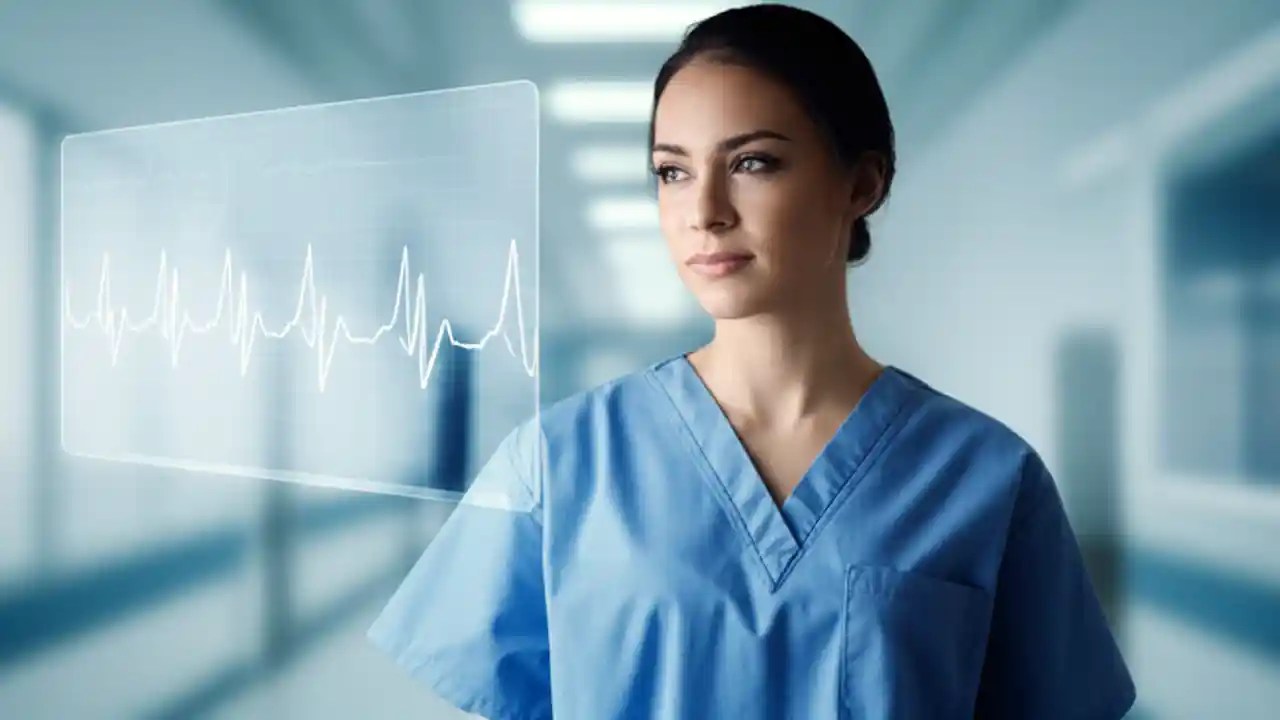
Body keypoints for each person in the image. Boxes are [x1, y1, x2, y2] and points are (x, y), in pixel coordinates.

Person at [367, 4, 1137, 718]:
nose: (704, 210)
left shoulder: (985, 478)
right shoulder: (562, 463)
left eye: (754, 163)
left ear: (862, 183)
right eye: (672, 171)